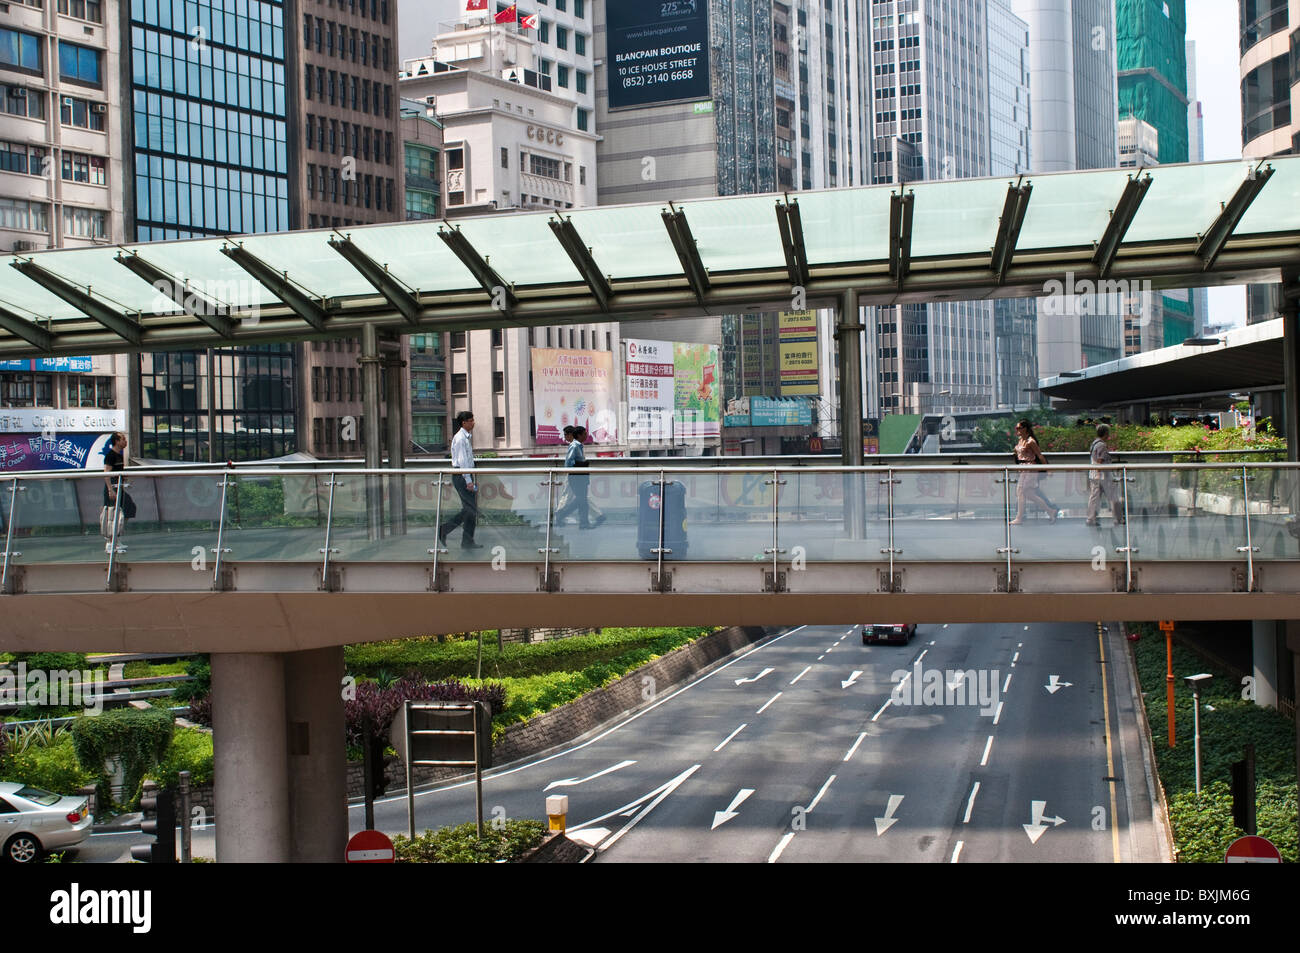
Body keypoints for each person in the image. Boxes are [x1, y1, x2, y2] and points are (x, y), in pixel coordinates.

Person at [438, 411, 481, 549]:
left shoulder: (465, 437)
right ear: (464, 423)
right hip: (462, 476)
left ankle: (467, 541)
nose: (473, 422)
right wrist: (468, 480)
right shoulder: (461, 439)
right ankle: (444, 530)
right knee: (470, 509)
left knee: (470, 509)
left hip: (465, 475)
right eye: (471, 420)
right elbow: (462, 461)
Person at [1010, 419, 1057, 525]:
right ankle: (1051, 511)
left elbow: (1039, 456)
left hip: (1030, 469)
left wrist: (1048, 469)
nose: (1017, 430)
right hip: (1023, 469)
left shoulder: (1031, 441)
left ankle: (1019, 518)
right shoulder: (1021, 439)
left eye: (1019, 428)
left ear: (1025, 429)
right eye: (1016, 428)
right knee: (1029, 494)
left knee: (1020, 492)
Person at [553, 425, 596, 530]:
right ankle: (562, 515)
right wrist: (578, 467)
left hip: (581, 476)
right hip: (577, 477)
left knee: (582, 500)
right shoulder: (575, 446)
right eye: (585, 434)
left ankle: (583, 523)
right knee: (581, 500)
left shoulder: (579, 445)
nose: (586, 436)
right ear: (579, 435)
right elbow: (568, 462)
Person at [101, 431, 136, 551]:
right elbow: (107, 473)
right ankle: (110, 543)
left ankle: (116, 538)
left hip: (120, 488)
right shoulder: (110, 455)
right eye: (123, 439)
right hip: (112, 489)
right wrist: (110, 490)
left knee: (129, 508)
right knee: (112, 515)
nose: (125, 442)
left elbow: (118, 472)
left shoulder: (119, 456)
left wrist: (126, 480)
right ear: (116, 441)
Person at [1085, 423, 1124, 526]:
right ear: (1106, 433)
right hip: (1103, 475)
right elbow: (1100, 461)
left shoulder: (1094, 443)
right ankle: (1118, 518)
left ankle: (1090, 518)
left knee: (1094, 497)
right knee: (1113, 496)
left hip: (1094, 475)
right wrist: (1099, 473)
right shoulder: (1102, 445)